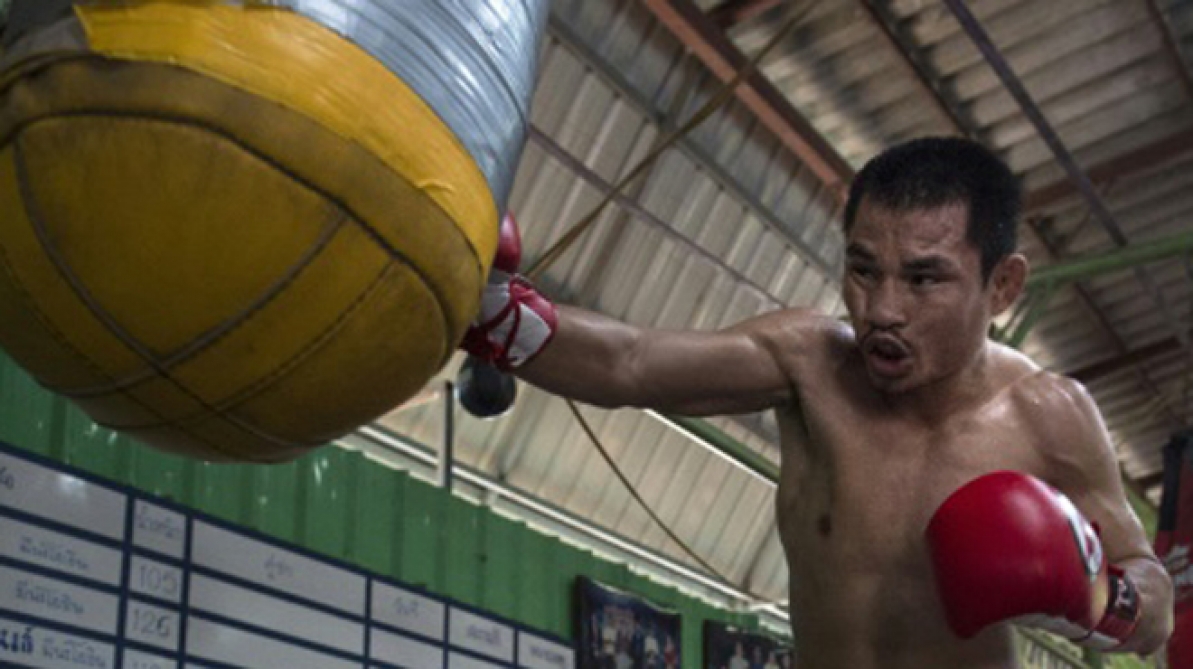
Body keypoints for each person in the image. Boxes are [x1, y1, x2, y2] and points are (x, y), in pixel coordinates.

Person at [463, 137, 1174, 667]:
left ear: (1002, 286)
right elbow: (632, 362)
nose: (882, 310)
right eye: (863, 270)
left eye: (923, 280)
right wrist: (492, 312)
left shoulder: (1050, 417)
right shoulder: (810, 364)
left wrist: (1097, 601)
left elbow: (1156, 608)